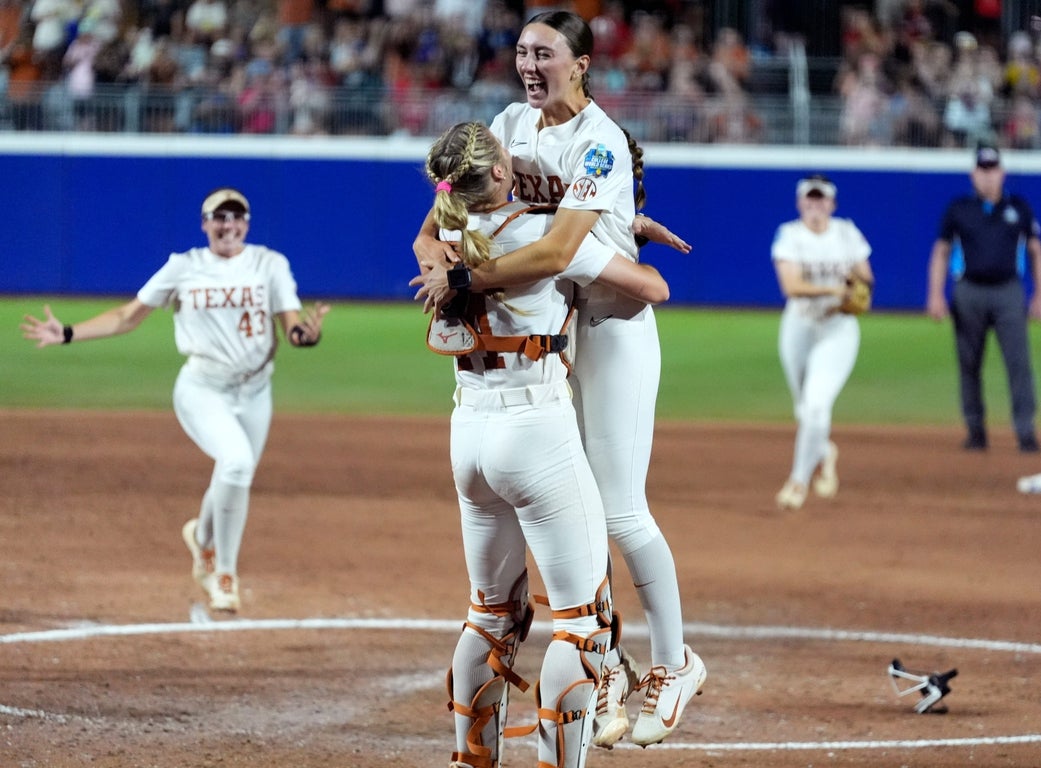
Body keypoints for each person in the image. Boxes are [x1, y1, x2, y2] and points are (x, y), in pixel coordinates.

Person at [411, 10, 706, 750]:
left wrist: (460, 274)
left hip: (611, 325)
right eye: (519, 52)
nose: (528, 65)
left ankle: (674, 664)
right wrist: (444, 271)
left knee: (614, 509)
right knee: (567, 507)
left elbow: (558, 249)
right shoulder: (510, 121)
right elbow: (450, 211)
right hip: (552, 333)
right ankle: (601, 661)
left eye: (544, 53)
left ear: (580, 63)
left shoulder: (599, 139)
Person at [20, 188, 329, 614]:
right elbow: (128, 316)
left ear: (247, 223)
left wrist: (307, 336)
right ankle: (224, 574)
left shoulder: (269, 264)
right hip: (203, 388)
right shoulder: (183, 267)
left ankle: (200, 538)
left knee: (234, 471)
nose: (228, 224)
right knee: (236, 462)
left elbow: (291, 326)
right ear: (204, 224)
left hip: (257, 390)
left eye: (236, 217)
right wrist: (69, 332)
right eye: (218, 217)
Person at [926, 143, 1041, 452]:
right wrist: (935, 294)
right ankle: (976, 431)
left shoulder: (1018, 207)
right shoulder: (959, 209)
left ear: (1002, 173)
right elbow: (941, 251)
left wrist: (1039, 294)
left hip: (1008, 291)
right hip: (969, 292)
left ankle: (1026, 432)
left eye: (993, 170)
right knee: (969, 364)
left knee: (1019, 364)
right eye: (982, 170)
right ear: (972, 174)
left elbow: (1034, 250)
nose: (988, 176)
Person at [772, 174, 874, 511]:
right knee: (805, 409)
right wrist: (835, 289)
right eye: (810, 200)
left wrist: (857, 285)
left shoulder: (846, 233)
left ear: (832, 204)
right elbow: (791, 286)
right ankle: (824, 450)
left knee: (816, 406)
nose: (816, 206)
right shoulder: (790, 235)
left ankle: (797, 483)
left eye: (822, 200)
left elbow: (866, 280)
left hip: (837, 329)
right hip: (799, 326)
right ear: (801, 203)